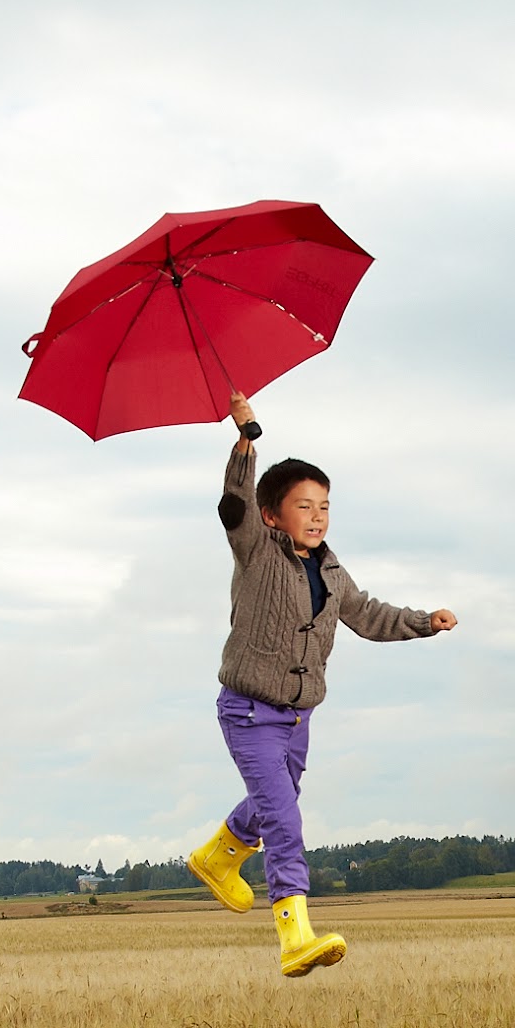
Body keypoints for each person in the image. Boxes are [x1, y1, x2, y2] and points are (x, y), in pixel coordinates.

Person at [188, 391, 457, 977]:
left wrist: (422, 623)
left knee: (277, 800)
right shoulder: (255, 550)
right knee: (283, 818)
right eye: (304, 505)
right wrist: (245, 440)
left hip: (299, 716)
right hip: (249, 712)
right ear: (272, 515)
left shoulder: (331, 570)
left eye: (325, 506)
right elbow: (233, 504)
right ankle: (294, 936)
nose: (316, 516)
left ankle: (217, 857)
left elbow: (368, 615)